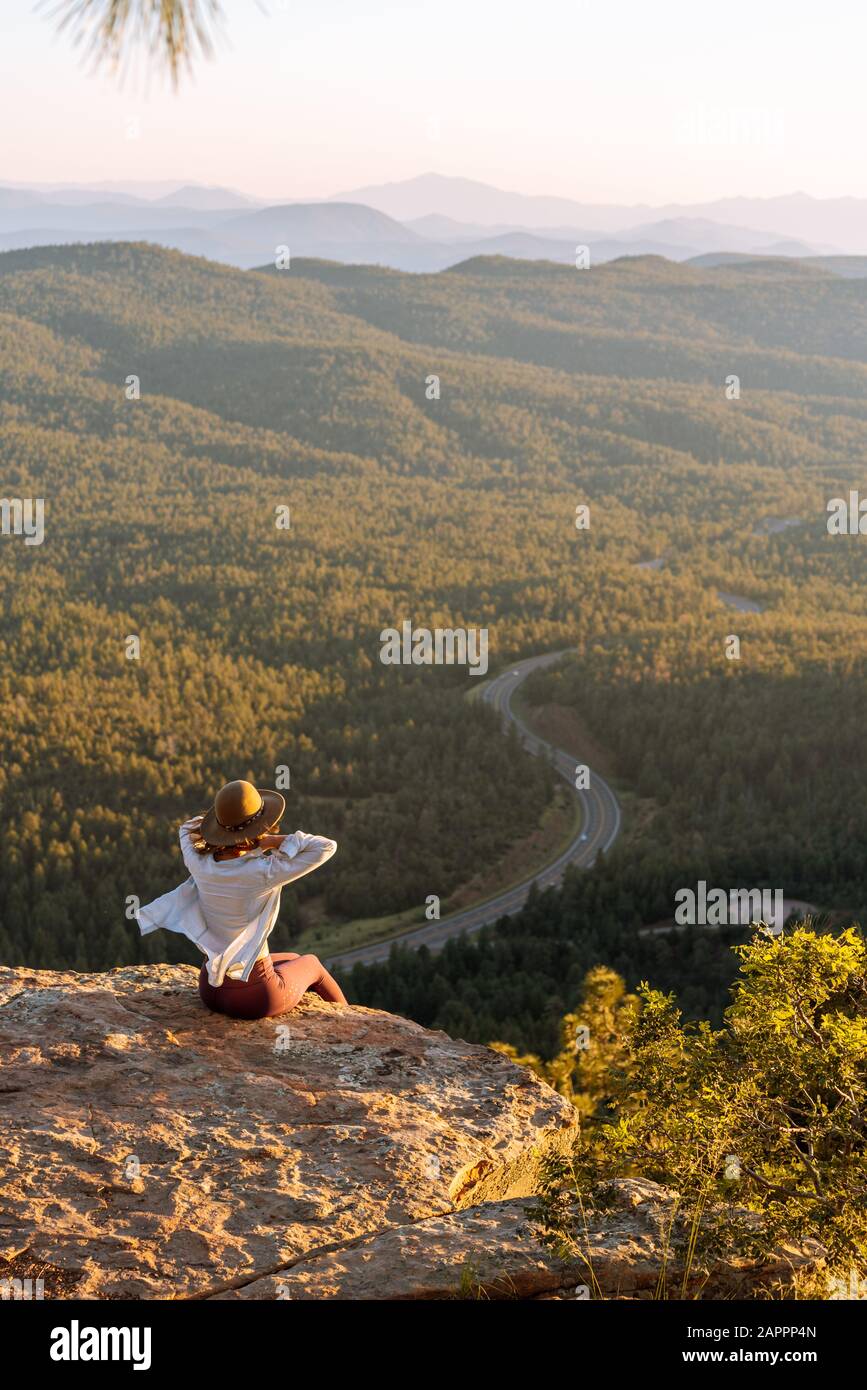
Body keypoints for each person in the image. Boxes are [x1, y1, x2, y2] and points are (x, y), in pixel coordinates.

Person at [138, 779, 347, 1019]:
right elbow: (326, 846)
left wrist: (224, 822)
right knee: (311, 964)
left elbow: (186, 828)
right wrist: (270, 841)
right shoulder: (262, 871)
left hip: (210, 988)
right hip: (254, 997)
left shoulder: (199, 863)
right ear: (259, 828)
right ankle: (352, 1022)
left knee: (292, 959)